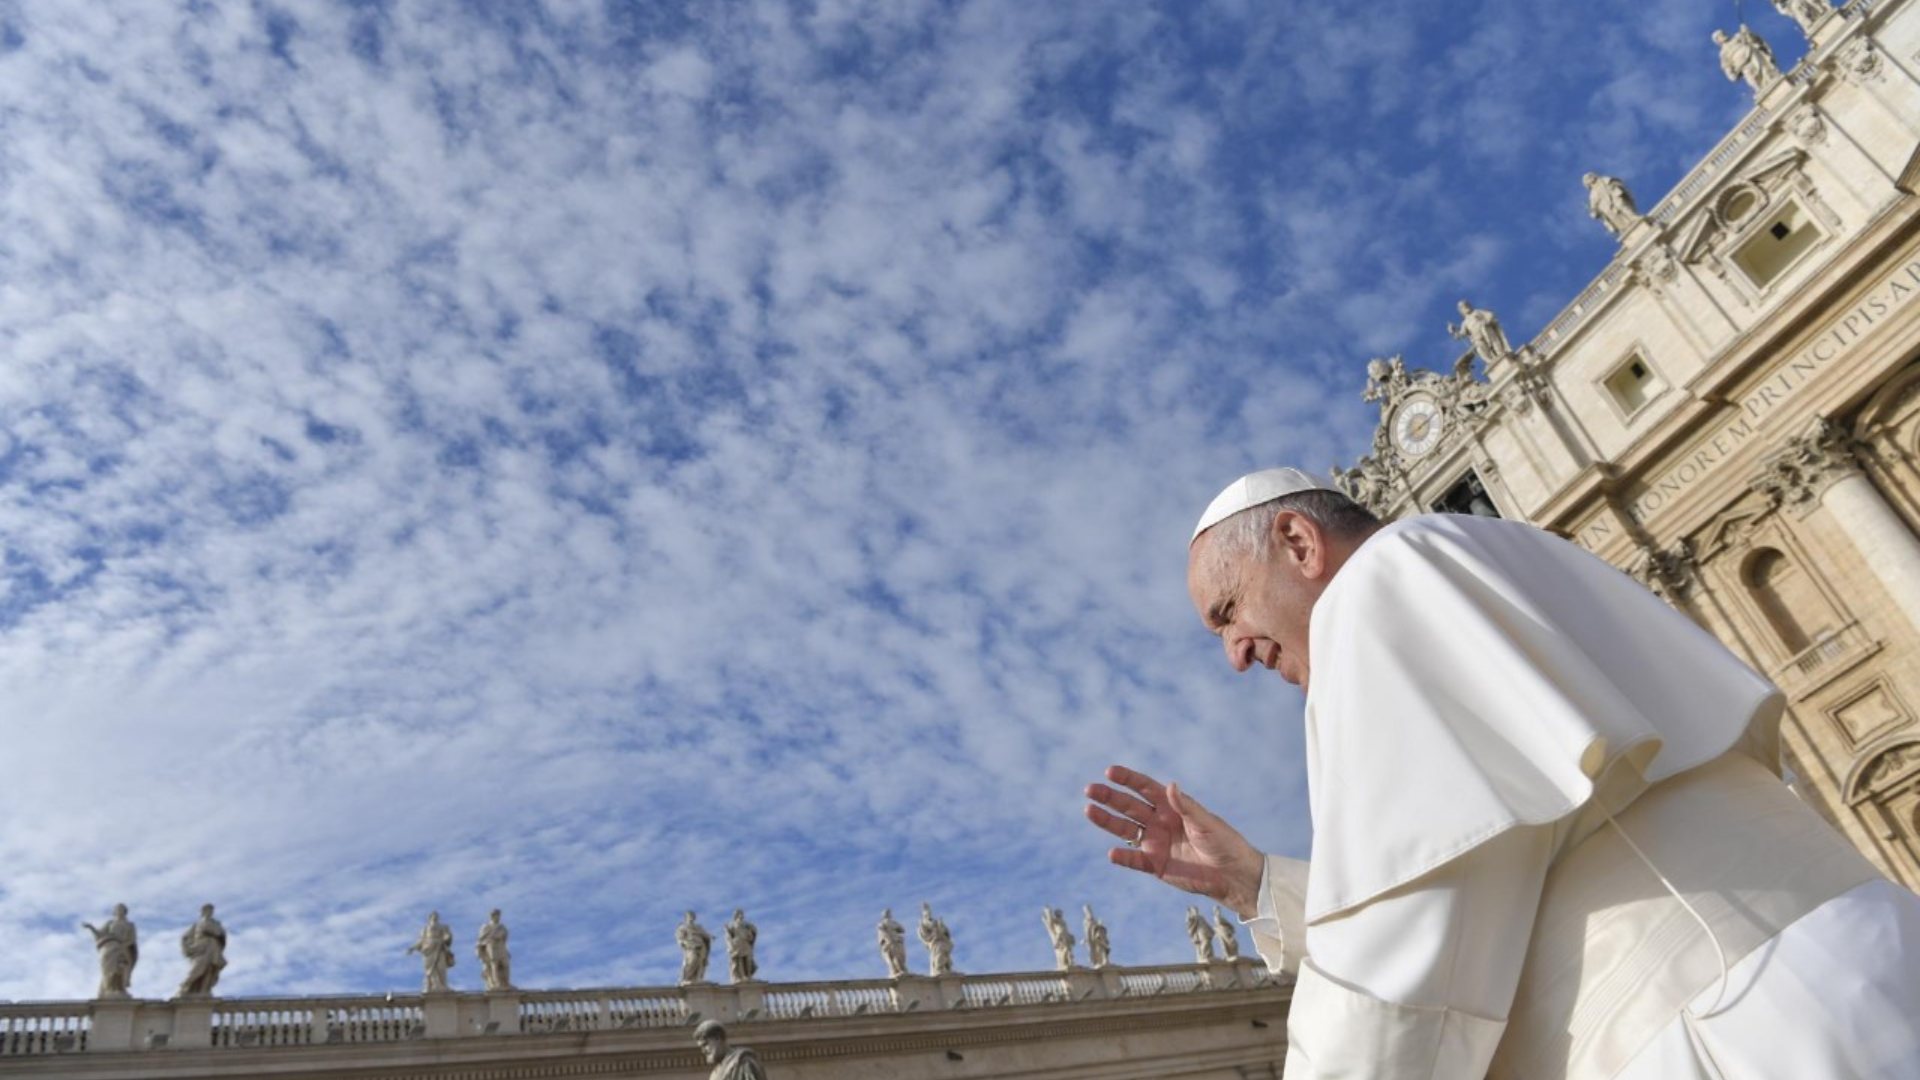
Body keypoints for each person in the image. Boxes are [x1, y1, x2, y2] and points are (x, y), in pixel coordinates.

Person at [1084, 466, 1920, 1077]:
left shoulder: (1376, 589)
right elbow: (1502, 865)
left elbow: (1404, 954)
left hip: (1734, 1031)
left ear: (1298, 542)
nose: (1234, 654)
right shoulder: (1487, 552)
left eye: (1227, 612)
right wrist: (1258, 887)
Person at [81, 904, 137, 999]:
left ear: (125, 912)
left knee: (120, 969)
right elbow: (100, 934)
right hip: (109, 949)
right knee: (108, 970)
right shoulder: (110, 923)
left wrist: (122, 946)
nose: (119, 911)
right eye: (117, 909)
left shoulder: (130, 925)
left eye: (121, 909)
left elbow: (132, 939)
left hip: (123, 950)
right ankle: (109, 990)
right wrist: (91, 928)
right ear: (114, 912)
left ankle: (119, 990)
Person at [176, 903, 227, 997]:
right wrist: (188, 947)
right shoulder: (197, 924)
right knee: (198, 968)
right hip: (201, 947)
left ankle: (204, 991)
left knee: (210, 969)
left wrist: (217, 934)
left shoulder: (216, 923)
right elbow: (185, 937)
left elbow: (221, 934)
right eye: (207, 910)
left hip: (213, 947)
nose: (209, 912)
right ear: (203, 912)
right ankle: (184, 987)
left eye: (211, 910)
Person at [693, 1019, 767, 1080]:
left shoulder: (743, 1062)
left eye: (705, 1045)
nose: (703, 1051)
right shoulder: (714, 1074)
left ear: (717, 1038)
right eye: (701, 1048)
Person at [405, 911, 455, 993]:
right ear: (429, 918)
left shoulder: (443, 927)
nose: (434, 917)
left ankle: (442, 985)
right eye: (433, 916)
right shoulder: (425, 929)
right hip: (428, 949)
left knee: (440, 967)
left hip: (439, 948)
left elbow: (447, 936)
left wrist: (446, 938)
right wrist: (412, 948)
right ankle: (431, 985)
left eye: (436, 916)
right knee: (429, 969)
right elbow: (421, 941)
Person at [476, 909, 512, 990]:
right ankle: (496, 983)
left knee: (506, 964)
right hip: (491, 946)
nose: (498, 917)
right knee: (494, 964)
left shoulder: (502, 927)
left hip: (501, 947)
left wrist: (502, 935)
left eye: (498, 915)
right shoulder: (486, 927)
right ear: (492, 916)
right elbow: (481, 939)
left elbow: (505, 936)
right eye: (496, 915)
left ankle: (506, 982)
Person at [676, 911, 713, 984]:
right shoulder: (683, 927)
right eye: (690, 916)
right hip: (691, 946)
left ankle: (698, 978)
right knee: (692, 960)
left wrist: (709, 937)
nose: (691, 917)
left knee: (700, 962)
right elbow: (680, 938)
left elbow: (705, 934)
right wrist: (684, 943)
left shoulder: (699, 927)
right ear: (686, 917)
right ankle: (687, 978)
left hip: (701, 945)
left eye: (693, 916)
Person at [725, 909, 758, 983]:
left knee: (748, 960)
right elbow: (728, 936)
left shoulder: (747, 924)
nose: (741, 915)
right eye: (739, 913)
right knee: (739, 960)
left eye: (742, 913)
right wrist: (730, 945)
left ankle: (748, 976)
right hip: (737, 943)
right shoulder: (732, 924)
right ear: (736, 915)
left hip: (745, 943)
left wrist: (751, 932)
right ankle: (742, 976)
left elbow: (753, 933)